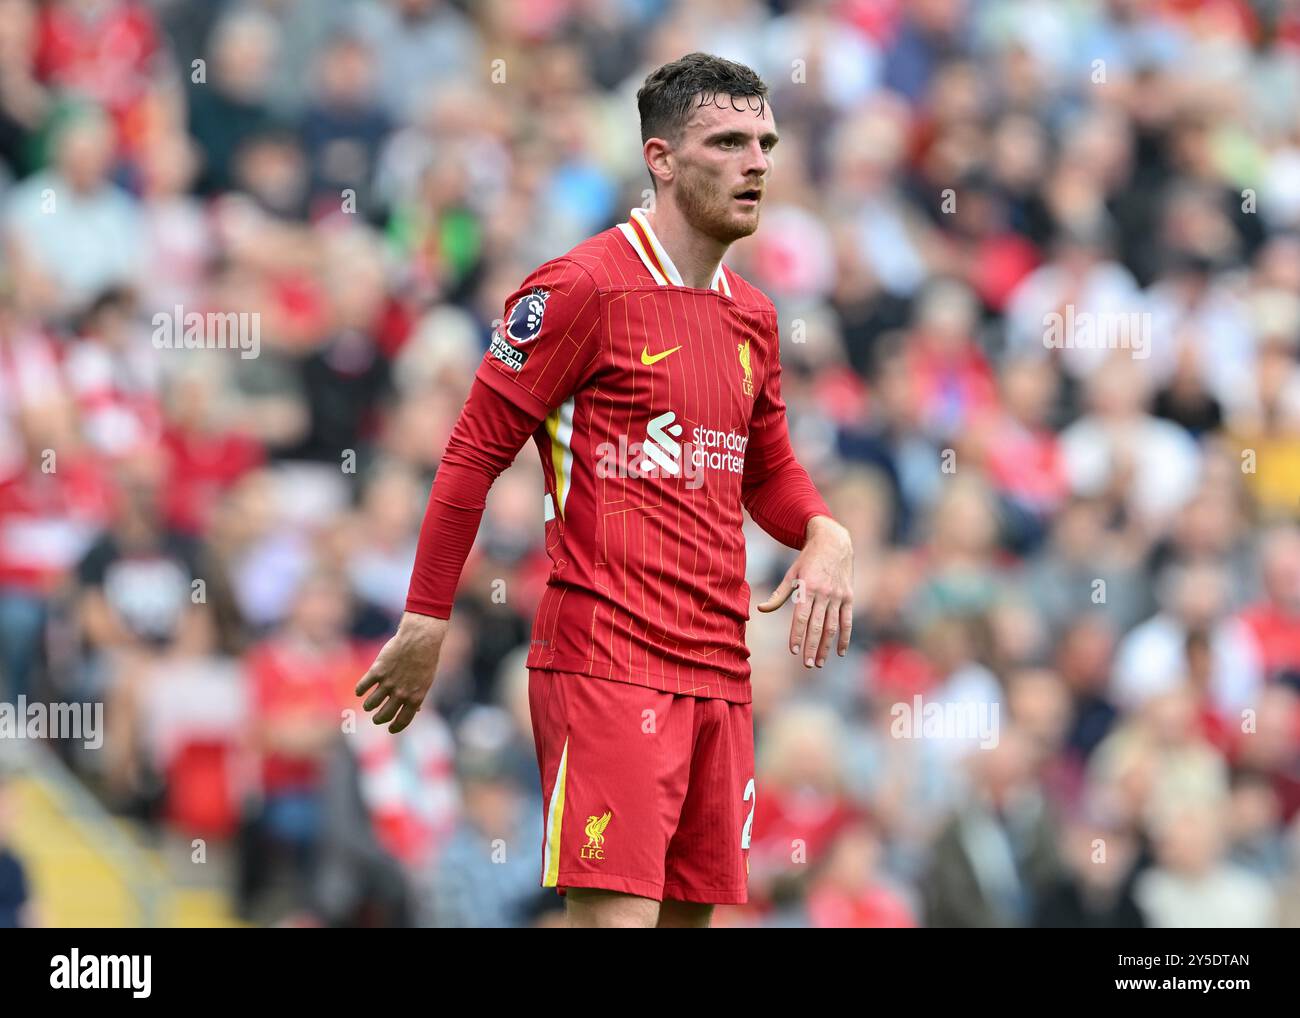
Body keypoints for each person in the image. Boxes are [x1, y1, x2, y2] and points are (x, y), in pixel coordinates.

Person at [355, 53, 854, 928]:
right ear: (660, 158)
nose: (757, 162)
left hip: (720, 671)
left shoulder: (754, 315)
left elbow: (766, 472)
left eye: (765, 142)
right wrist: (428, 616)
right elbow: (472, 452)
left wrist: (824, 531)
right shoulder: (581, 288)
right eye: (729, 141)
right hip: (608, 661)